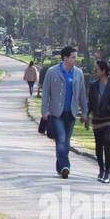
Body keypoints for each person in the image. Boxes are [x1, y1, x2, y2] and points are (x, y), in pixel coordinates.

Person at [41, 46, 86, 178]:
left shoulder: (78, 73)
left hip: (71, 112)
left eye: (76, 57)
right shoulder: (52, 72)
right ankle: (65, 165)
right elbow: (45, 92)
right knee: (60, 139)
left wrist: (84, 112)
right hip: (56, 113)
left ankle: (60, 167)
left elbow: (82, 94)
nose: (75, 60)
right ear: (65, 58)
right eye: (73, 57)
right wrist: (45, 110)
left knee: (66, 141)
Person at [86, 59, 110, 182]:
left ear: (103, 71)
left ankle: (108, 171)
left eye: (96, 69)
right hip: (97, 118)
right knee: (98, 144)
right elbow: (90, 102)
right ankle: (101, 169)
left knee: (106, 140)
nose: (94, 71)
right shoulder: (93, 85)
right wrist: (86, 114)